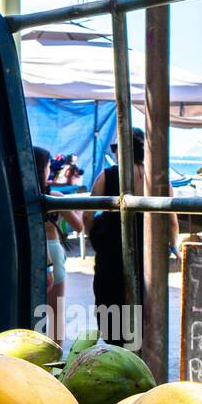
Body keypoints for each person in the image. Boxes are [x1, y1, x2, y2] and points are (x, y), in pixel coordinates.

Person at [88, 130, 147, 347]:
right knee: (142, 299)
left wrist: (92, 237)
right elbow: (170, 220)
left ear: (121, 150)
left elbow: (88, 213)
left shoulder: (107, 176)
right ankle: (137, 351)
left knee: (108, 300)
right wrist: (171, 246)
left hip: (111, 249)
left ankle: (116, 348)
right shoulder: (156, 178)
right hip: (145, 250)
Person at [35, 147, 82, 345]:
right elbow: (78, 226)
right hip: (53, 252)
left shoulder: (22, 198)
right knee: (55, 313)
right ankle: (54, 362)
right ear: (44, 169)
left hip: (31, 250)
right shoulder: (54, 197)